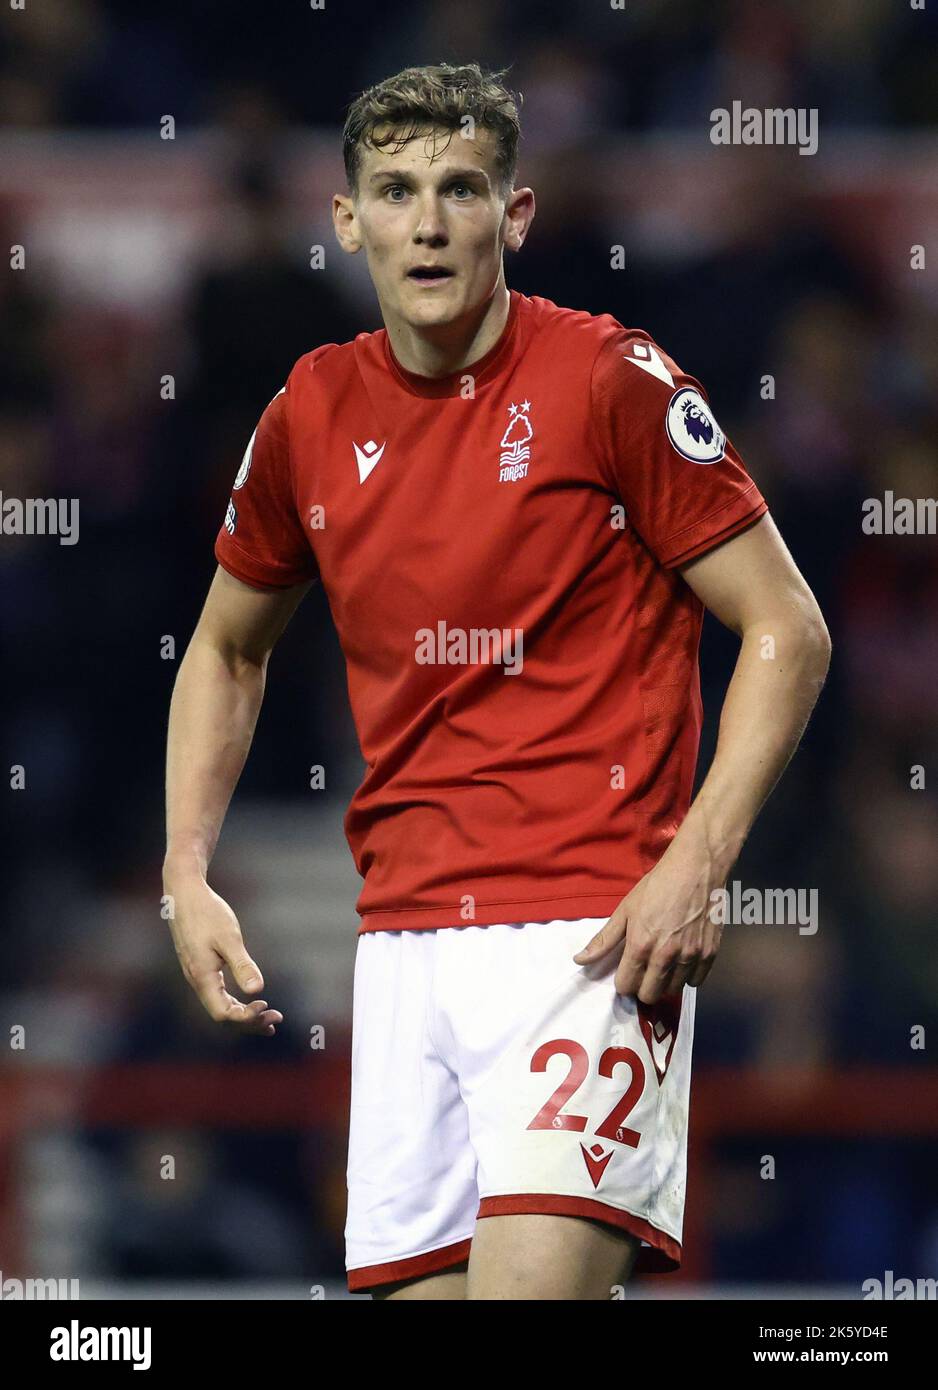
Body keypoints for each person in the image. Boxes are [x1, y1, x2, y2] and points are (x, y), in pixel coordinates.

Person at [162, 62, 831, 1300]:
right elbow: (224, 645)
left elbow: (786, 628)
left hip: (586, 938)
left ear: (512, 216)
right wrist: (186, 869)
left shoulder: (609, 382)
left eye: (460, 188)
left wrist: (695, 858)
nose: (428, 222)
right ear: (345, 218)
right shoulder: (306, 411)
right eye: (397, 190)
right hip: (402, 943)